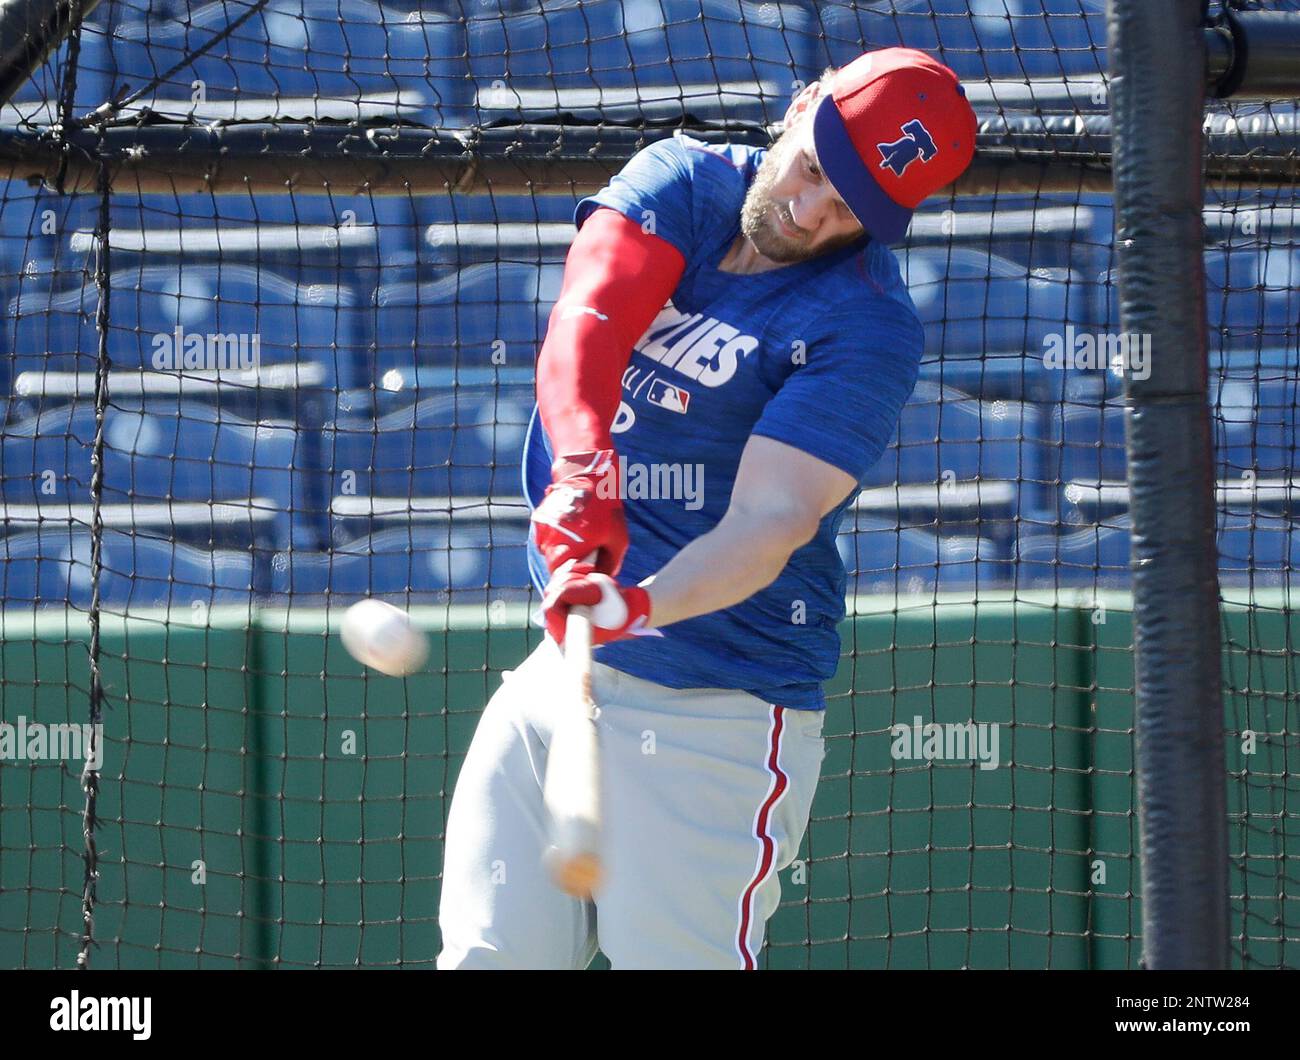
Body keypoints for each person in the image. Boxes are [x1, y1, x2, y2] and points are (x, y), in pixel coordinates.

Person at [438, 47, 977, 969]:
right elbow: (588, 322)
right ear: (801, 106)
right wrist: (582, 474)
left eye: (850, 207)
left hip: (715, 714)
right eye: (816, 169)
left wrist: (638, 604)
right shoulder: (684, 180)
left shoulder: (868, 323)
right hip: (558, 681)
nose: (812, 212)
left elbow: (772, 520)